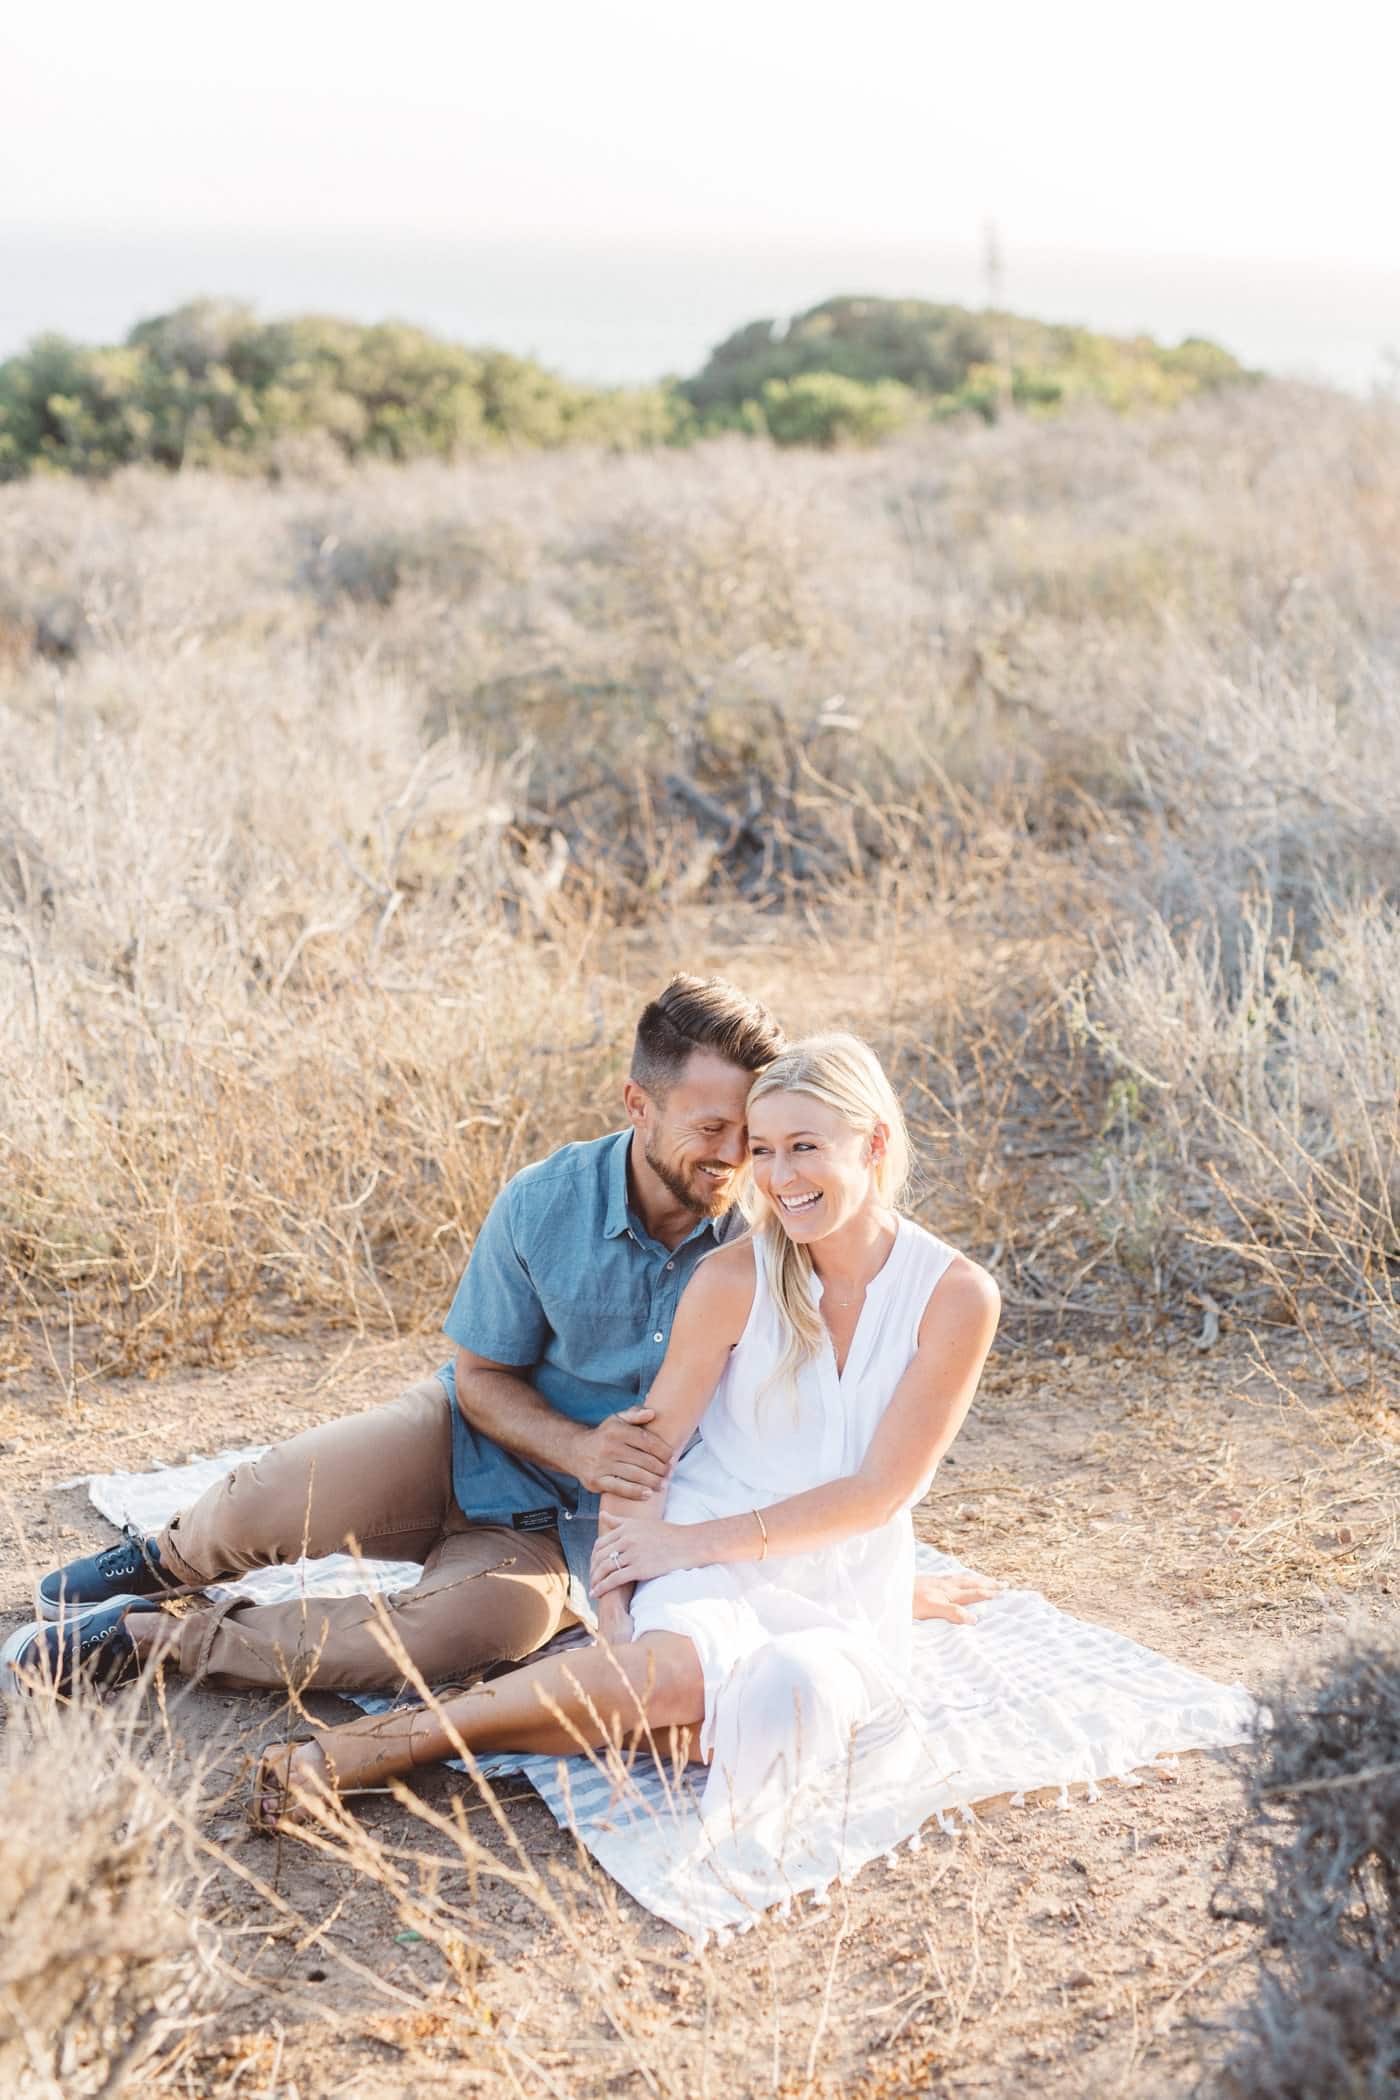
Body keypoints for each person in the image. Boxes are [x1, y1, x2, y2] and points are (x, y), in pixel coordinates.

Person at [8, 985, 985, 1700]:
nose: (741, 1159)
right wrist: (574, 1445)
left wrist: (866, 1582)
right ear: (636, 1105)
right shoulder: (544, 1201)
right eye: (714, 1127)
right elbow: (479, 1378)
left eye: (760, 1134)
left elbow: (834, 1425)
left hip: (575, 1528)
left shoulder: (776, 1236)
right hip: (472, 1436)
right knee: (273, 1496)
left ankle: (150, 1640)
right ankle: (170, 1558)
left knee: (451, 1640)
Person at [248, 1033, 1002, 1889]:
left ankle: (546, 1693)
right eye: (762, 1152)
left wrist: (721, 1553)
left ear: (872, 1143)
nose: (781, 1177)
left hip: (818, 1571)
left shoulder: (956, 1296)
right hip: (694, 1549)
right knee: (678, 1674)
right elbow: (644, 1457)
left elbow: (877, 1494)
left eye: (805, 1148)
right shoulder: (733, 1279)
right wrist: (615, 1602)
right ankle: (383, 1743)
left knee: (777, 1701)